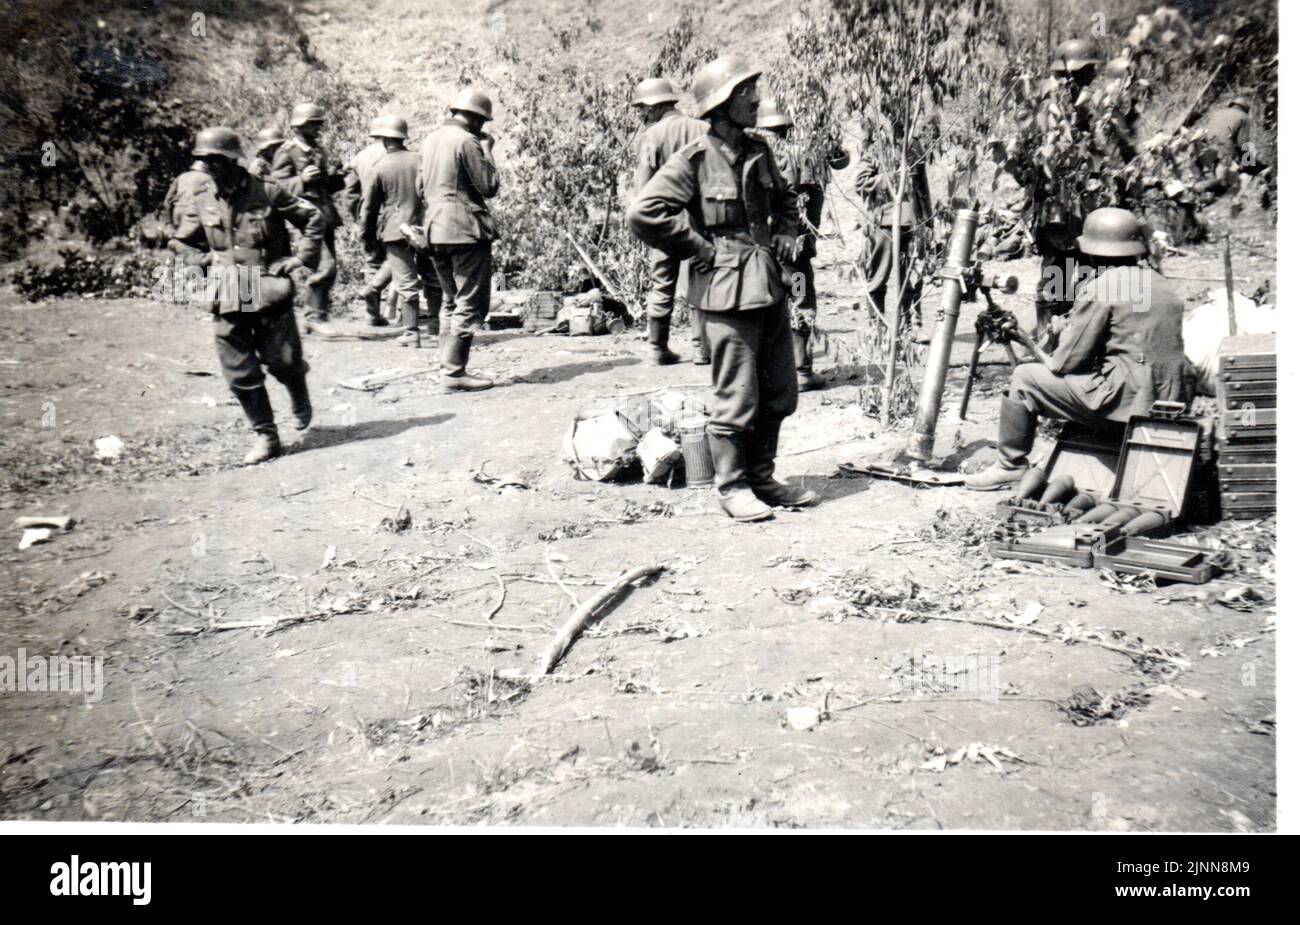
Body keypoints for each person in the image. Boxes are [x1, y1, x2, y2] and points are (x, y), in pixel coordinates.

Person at [629, 54, 812, 522]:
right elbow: (644, 213)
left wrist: (789, 229)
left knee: (780, 393)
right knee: (736, 397)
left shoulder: (759, 149)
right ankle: (733, 488)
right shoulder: (692, 159)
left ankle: (763, 478)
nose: (756, 98)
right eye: (746, 91)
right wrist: (698, 248)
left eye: (754, 89)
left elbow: (787, 197)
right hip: (725, 294)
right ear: (723, 102)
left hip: (766, 284)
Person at [965, 207, 1193, 490]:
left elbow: (1063, 364)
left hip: (1128, 404)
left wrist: (1033, 338)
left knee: (1025, 378)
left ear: (1094, 251)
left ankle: (1010, 465)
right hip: (1174, 400)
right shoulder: (1162, 284)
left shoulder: (1101, 287)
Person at [169, 127, 324, 465]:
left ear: (233, 160)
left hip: (267, 288)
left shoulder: (267, 191)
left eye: (216, 160)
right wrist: (203, 260)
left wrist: (299, 259)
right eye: (204, 161)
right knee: (238, 371)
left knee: (282, 362)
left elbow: (312, 217)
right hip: (228, 291)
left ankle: (297, 387)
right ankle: (266, 435)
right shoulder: (201, 197)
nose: (210, 167)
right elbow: (181, 241)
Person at [754, 100, 849, 389]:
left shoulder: (755, 155)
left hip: (764, 253)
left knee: (767, 304)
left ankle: (769, 372)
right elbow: (839, 162)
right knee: (800, 299)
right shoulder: (805, 155)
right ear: (787, 127)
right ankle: (802, 371)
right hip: (795, 257)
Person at [418, 88, 499, 392]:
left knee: (450, 299)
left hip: (435, 228)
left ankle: (446, 364)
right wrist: (487, 150)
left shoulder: (429, 140)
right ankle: (453, 373)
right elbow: (489, 185)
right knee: (469, 300)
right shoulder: (468, 141)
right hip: (464, 229)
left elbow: (420, 186)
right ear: (477, 119)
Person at [630, 76, 709, 365]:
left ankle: (657, 347)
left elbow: (643, 189)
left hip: (665, 219)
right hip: (700, 219)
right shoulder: (703, 128)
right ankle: (702, 348)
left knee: (662, 280)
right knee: (701, 276)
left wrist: (645, 221)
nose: (641, 114)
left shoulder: (652, 136)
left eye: (643, 109)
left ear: (654, 106)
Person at [272, 102, 345, 334]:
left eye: (319, 125)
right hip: (304, 217)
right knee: (326, 267)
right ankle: (314, 317)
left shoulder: (319, 151)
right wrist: (301, 180)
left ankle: (315, 316)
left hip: (324, 214)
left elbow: (326, 186)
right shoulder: (287, 151)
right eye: (313, 125)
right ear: (299, 126)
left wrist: (338, 177)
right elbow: (276, 187)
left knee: (326, 266)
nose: (318, 130)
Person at [361, 116, 425, 348]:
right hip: (424, 228)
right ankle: (439, 327)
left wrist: (366, 235)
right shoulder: (420, 159)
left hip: (395, 231)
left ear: (384, 139)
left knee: (406, 281)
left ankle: (411, 332)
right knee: (432, 278)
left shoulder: (379, 167)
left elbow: (369, 208)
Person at [343, 117, 398, 327]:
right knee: (399, 259)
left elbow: (350, 193)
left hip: (368, 216)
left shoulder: (359, 157)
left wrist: (358, 219)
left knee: (373, 262)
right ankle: (394, 310)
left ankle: (372, 313)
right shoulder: (396, 154)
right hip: (393, 216)